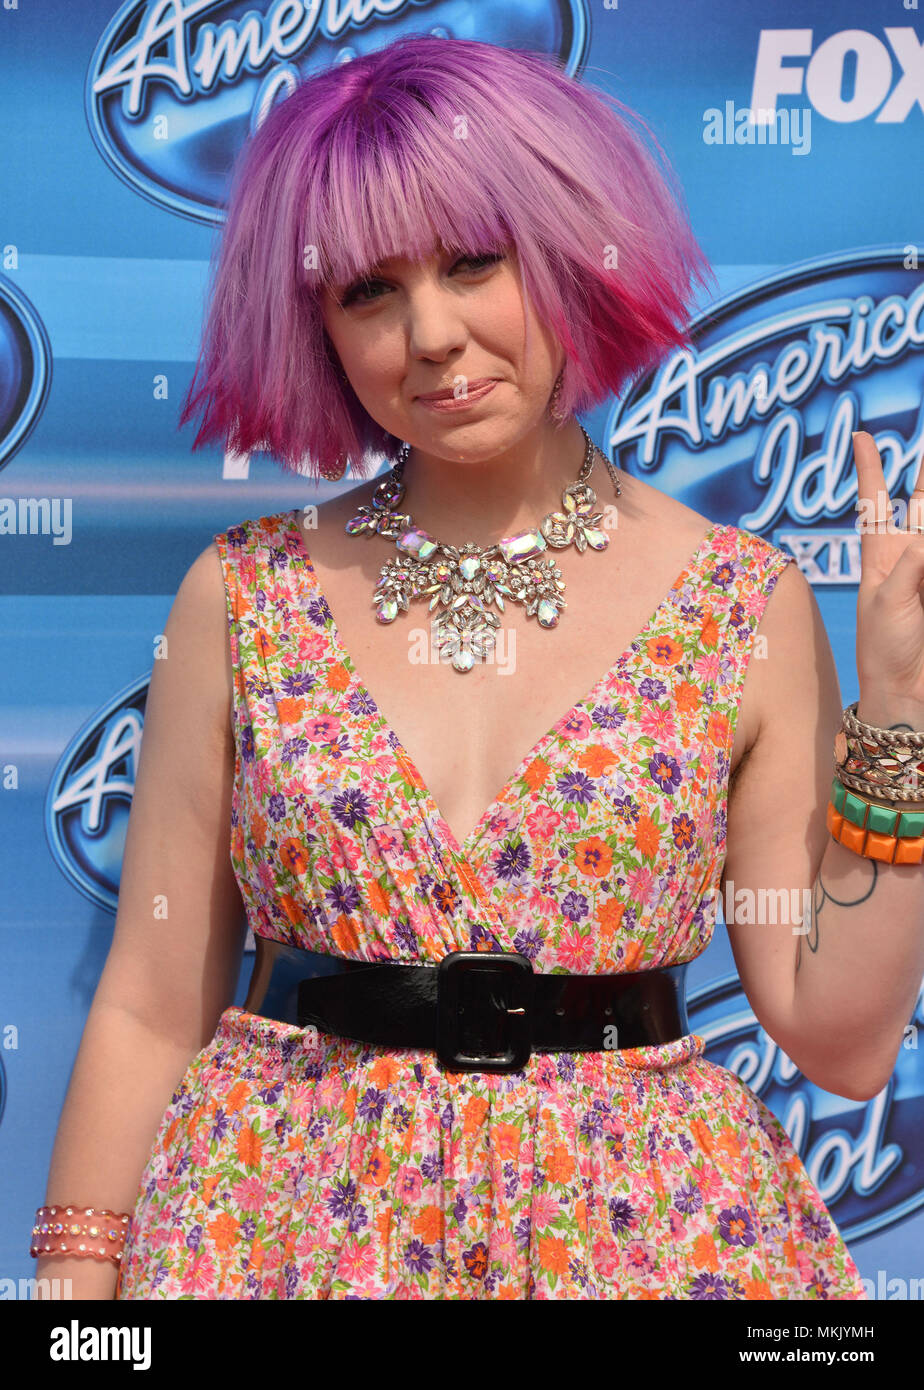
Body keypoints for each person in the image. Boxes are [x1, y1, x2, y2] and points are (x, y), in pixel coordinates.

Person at [31, 34, 923, 1301]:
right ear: (317, 327)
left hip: (643, 1239)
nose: (433, 334)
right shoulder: (245, 594)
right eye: (368, 292)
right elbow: (150, 1004)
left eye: (471, 263)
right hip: (282, 1236)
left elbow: (841, 1038)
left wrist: (901, 715)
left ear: (563, 250)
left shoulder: (740, 600)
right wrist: (74, 1316)